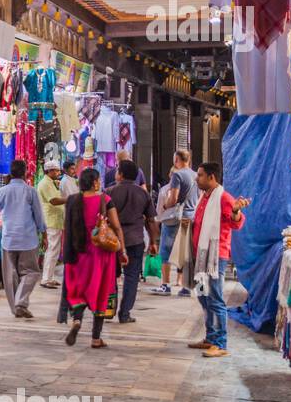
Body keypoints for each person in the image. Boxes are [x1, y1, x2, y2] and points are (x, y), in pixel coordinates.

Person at [188, 161, 249, 358]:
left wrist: (237, 211)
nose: (197, 179)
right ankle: (211, 337)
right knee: (203, 295)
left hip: (215, 258)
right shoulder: (204, 197)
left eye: (200, 175)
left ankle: (220, 343)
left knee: (215, 298)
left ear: (211, 178)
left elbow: (236, 224)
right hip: (200, 257)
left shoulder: (223, 197)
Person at [62, 168, 126, 349]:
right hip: (101, 254)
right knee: (100, 293)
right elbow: (116, 226)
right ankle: (96, 339)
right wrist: (122, 251)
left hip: (78, 253)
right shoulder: (104, 200)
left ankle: (76, 320)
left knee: (78, 292)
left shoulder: (74, 201)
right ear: (95, 182)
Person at [0, 158, 46, 318]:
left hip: (9, 238)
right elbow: (38, 215)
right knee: (31, 272)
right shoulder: (30, 191)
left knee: (11, 276)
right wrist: (43, 232)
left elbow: (1, 211)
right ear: (25, 172)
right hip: (27, 238)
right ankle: (21, 302)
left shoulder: (1, 192)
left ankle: (16, 307)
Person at [107, 159, 157, 323]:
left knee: (110, 276)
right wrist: (153, 242)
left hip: (112, 241)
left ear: (120, 174)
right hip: (135, 239)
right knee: (132, 277)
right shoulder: (143, 193)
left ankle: (109, 309)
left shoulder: (109, 192)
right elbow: (151, 220)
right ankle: (125, 313)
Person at [152, 149, 199, 296]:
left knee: (165, 250)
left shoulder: (177, 175)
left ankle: (165, 285)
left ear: (177, 159)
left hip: (175, 217)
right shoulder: (196, 175)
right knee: (186, 251)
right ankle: (186, 287)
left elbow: (173, 198)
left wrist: (165, 206)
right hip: (190, 217)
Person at [37, 160, 67, 289]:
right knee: (52, 249)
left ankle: (49, 277)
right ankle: (45, 279)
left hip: (56, 220)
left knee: (54, 250)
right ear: (49, 171)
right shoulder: (45, 184)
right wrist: (71, 198)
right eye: (56, 170)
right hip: (51, 220)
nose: (58, 172)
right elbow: (54, 201)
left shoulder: (51, 183)